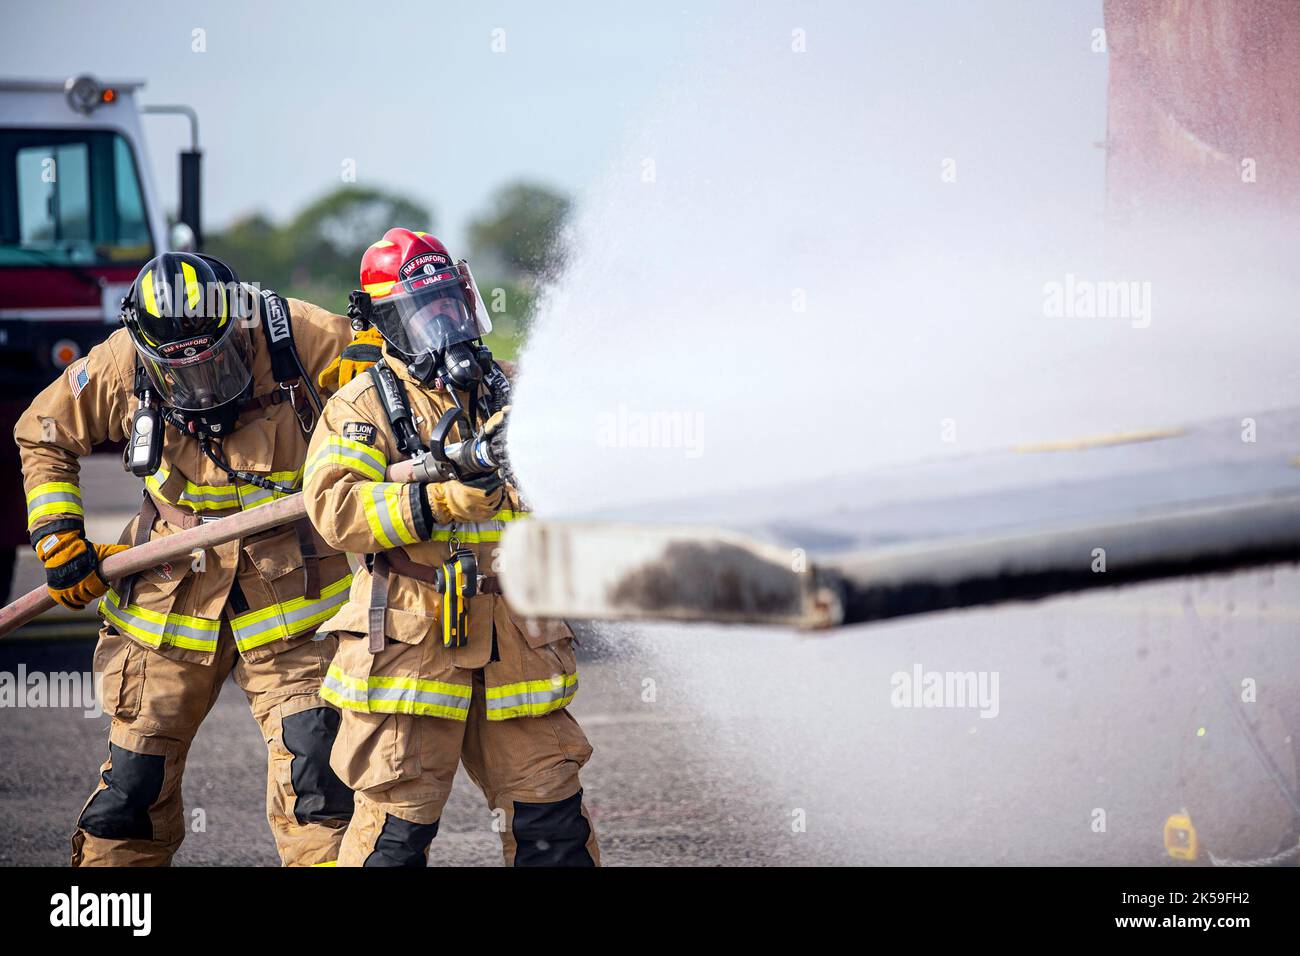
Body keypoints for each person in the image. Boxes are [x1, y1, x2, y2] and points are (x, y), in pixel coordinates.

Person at [16, 251, 364, 866]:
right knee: (132, 789)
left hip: (293, 603)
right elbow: (43, 430)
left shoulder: (299, 335)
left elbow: (392, 392)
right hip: (168, 601)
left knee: (319, 781)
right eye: (178, 369)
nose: (200, 380)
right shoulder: (122, 358)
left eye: (215, 358)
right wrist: (59, 535)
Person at [303, 228, 598, 866]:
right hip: (410, 639)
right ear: (386, 323)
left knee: (554, 829)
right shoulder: (362, 406)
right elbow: (336, 508)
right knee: (393, 837)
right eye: (423, 310)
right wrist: (435, 501)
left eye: (450, 304)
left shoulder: (516, 394)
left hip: (518, 640)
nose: (443, 322)